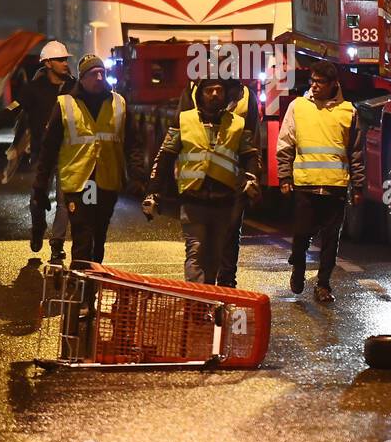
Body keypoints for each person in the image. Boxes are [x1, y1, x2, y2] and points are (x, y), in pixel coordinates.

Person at [144, 77, 261, 286]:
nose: (214, 95)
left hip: (223, 201)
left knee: (215, 257)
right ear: (200, 95)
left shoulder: (238, 124)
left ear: (226, 95)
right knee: (196, 252)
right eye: (209, 91)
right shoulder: (183, 120)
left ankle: (210, 301)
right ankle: (196, 305)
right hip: (193, 200)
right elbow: (165, 157)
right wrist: (153, 193)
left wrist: (252, 178)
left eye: (219, 90)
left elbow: (250, 154)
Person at [33, 53, 142, 269]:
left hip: (106, 182)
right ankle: (80, 293)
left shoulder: (118, 103)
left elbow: (132, 144)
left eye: (102, 73)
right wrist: (40, 185)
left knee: (98, 237)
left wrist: (137, 176)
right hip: (80, 183)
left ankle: (90, 288)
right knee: (83, 235)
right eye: (94, 74)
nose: (100, 78)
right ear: (82, 78)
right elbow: (49, 148)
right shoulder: (65, 105)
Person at [275, 59, 365, 302]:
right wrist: (284, 176)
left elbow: (356, 153)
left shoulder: (348, 111)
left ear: (333, 84)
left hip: (335, 186)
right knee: (302, 234)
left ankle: (323, 285)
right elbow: (285, 143)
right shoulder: (298, 107)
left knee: (330, 241)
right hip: (306, 184)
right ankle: (299, 269)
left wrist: (358, 186)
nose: (314, 86)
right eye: (312, 81)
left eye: (320, 82)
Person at [5, 40, 74, 264]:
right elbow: (14, 109)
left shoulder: (74, 87)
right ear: (47, 63)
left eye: (66, 59)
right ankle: (38, 228)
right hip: (42, 154)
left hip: (66, 154)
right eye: (60, 59)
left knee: (65, 202)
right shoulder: (34, 90)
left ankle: (57, 245)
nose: (65, 63)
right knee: (37, 198)